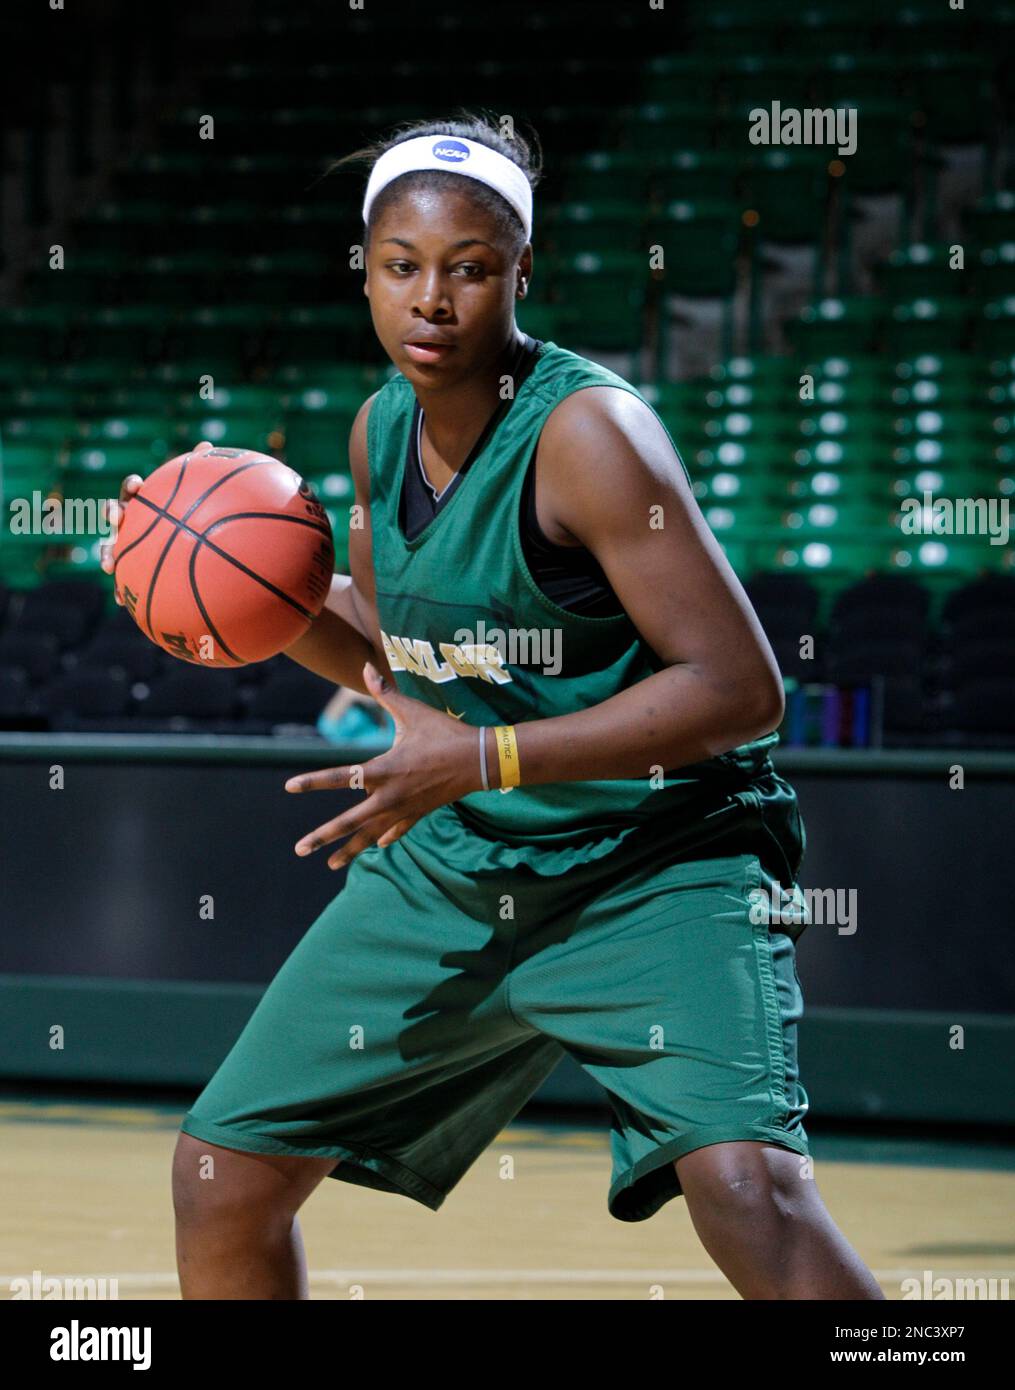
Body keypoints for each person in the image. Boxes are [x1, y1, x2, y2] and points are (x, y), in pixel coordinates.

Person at [103, 110, 884, 1300]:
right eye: (400, 267)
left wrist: (482, 759)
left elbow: (740, 690)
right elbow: (407, 658)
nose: (431, 301)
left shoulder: (589, 435)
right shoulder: (378, 431)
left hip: (655, 861)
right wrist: (233, 602)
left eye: (467, 270)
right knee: (224, 1173)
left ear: (521, 272)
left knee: (750, 1194)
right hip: (463, 863)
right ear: (362, 273)